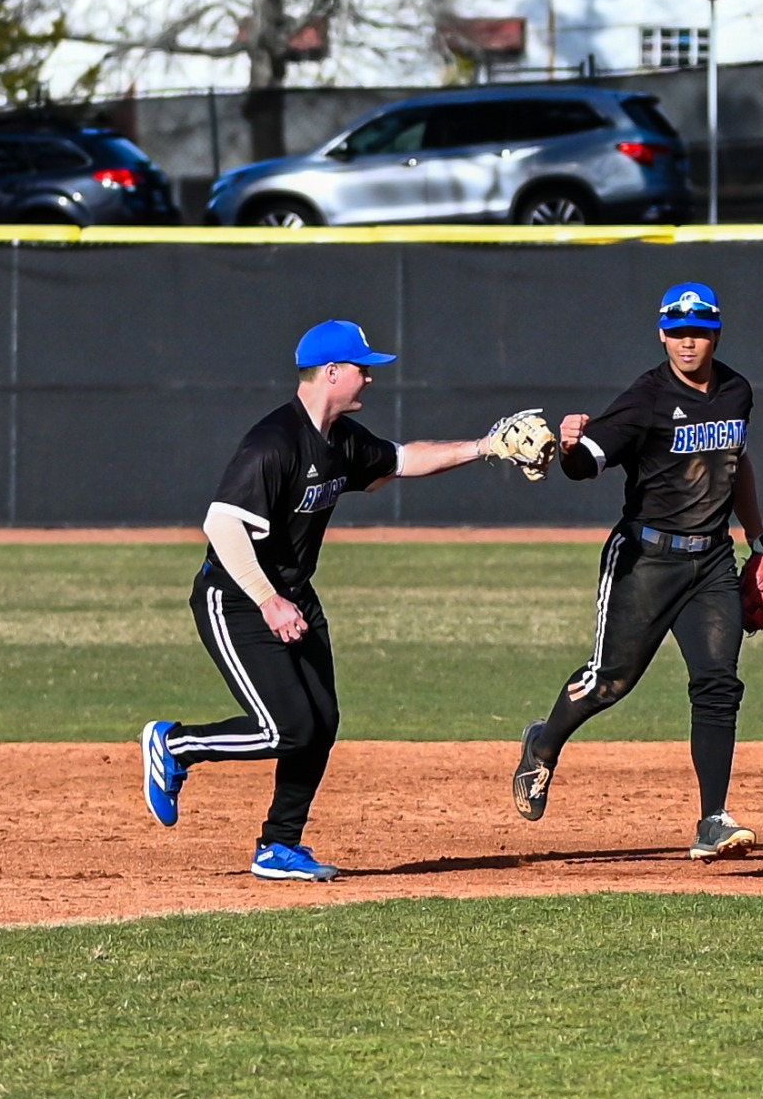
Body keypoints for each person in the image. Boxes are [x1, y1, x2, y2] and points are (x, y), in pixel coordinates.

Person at [141, 318, 553, 881]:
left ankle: (277, 846)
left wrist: (485, 447)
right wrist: (267, 601)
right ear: (332, 372)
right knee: (284, 727)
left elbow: (405, 461)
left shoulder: (341, 440)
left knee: (323, 720)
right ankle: (177, 745)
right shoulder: (275, 441)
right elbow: (221, 526)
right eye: (363, 368)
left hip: (293, 595)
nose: (370, 378)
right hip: (236, 596)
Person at [513, 282, 763, 861]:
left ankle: (712, 819)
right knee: (610, 681)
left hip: (711, 561)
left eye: (700, 331)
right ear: (662, 334)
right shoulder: (647, 399)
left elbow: (737, 466)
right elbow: (588, 464)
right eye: (679, 331)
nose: (689, 341)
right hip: (646, 560)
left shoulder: (736, 391)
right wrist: (568, 444)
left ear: (716, 334)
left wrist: (758, 541)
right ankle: (544, 742)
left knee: (718, 685)